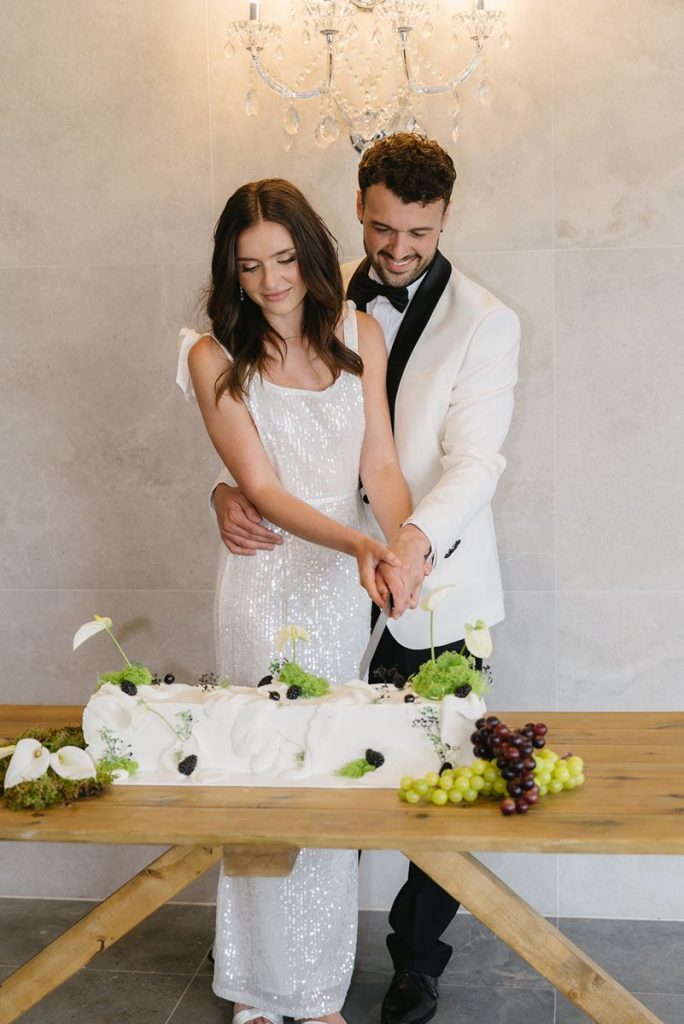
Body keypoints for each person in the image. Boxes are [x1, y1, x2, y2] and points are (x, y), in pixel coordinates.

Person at [211, 134, 521, 1024]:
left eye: (416, 234)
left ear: (445, 219)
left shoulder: (487, 321)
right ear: (357, 207)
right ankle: (283, 961)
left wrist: (408, 544)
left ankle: (416, 962)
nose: (395, 250)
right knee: (307, 772)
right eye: (382, 229)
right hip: (314, 580)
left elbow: (472, 461)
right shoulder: (301, 279)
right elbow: (262, 438)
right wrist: (224, 490)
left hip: (429, 576)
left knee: (433, 778)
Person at [177, 177, 414, 1024]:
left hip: (341, 593)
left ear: (313, 255)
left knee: (326, 776)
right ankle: (255, 988)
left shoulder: (361, 334)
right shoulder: (211, 358)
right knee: (258, 774)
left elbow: (379, 466)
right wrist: (358, 542)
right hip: (266, 582)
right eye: (250, 267)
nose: (272, 280)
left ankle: (314, 991)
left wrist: (404, 543)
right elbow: (263, 489)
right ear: (231, 274)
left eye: (284, 258)